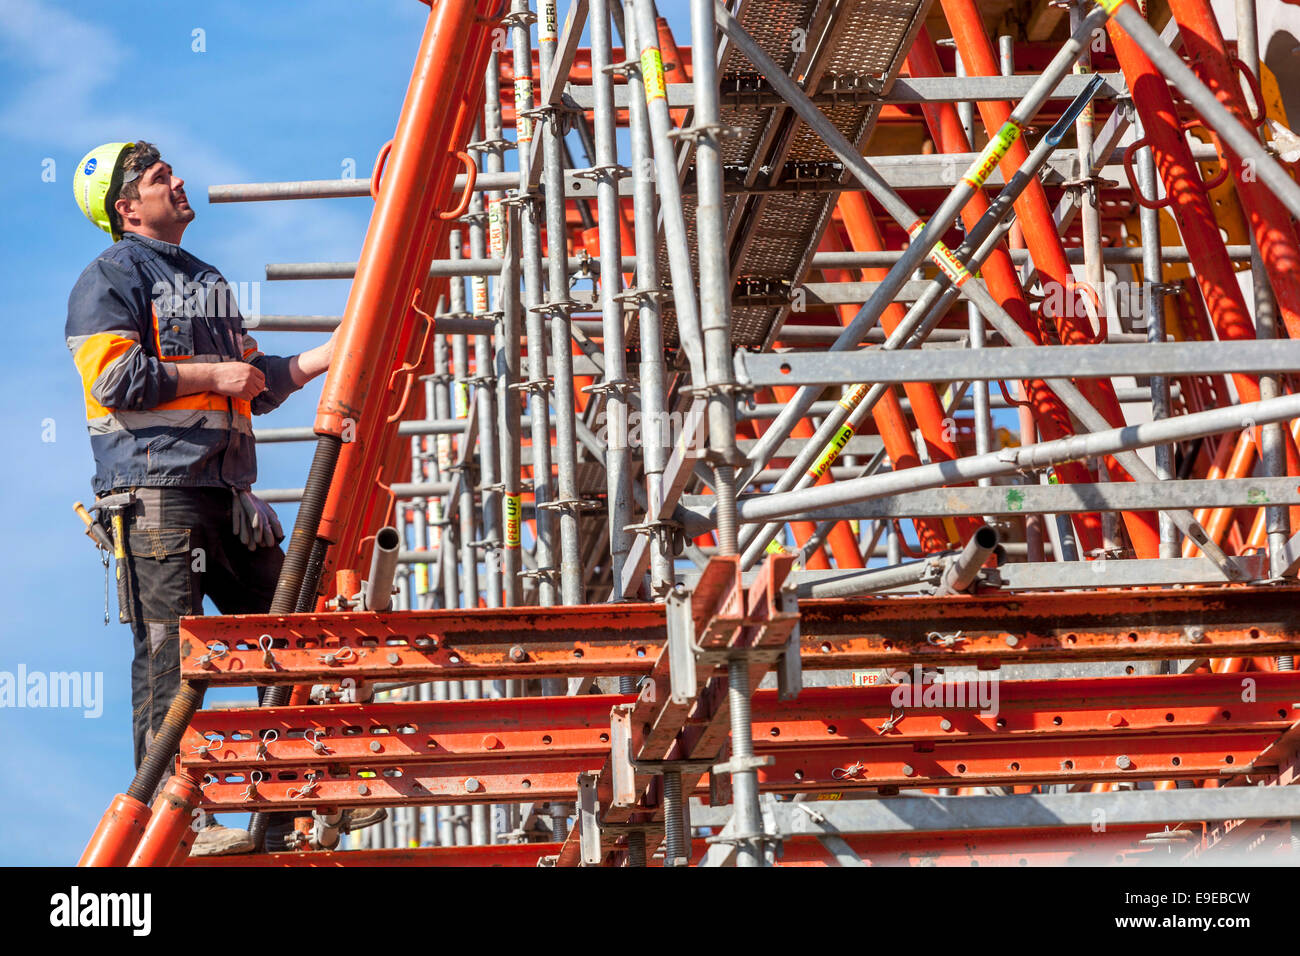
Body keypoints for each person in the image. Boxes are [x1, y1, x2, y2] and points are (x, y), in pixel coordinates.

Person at [66, 140, 333, 855]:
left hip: (222, 493)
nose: (178, 181)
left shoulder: (207, 280)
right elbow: (115, 380)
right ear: (127, 209)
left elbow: (254, 380)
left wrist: (333, 353)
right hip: (155, 492)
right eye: (159, 179)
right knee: (172, 657)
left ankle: (292, 805)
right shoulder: (111, 276)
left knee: (292, 636)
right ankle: (175, 820)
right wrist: (218, 374)